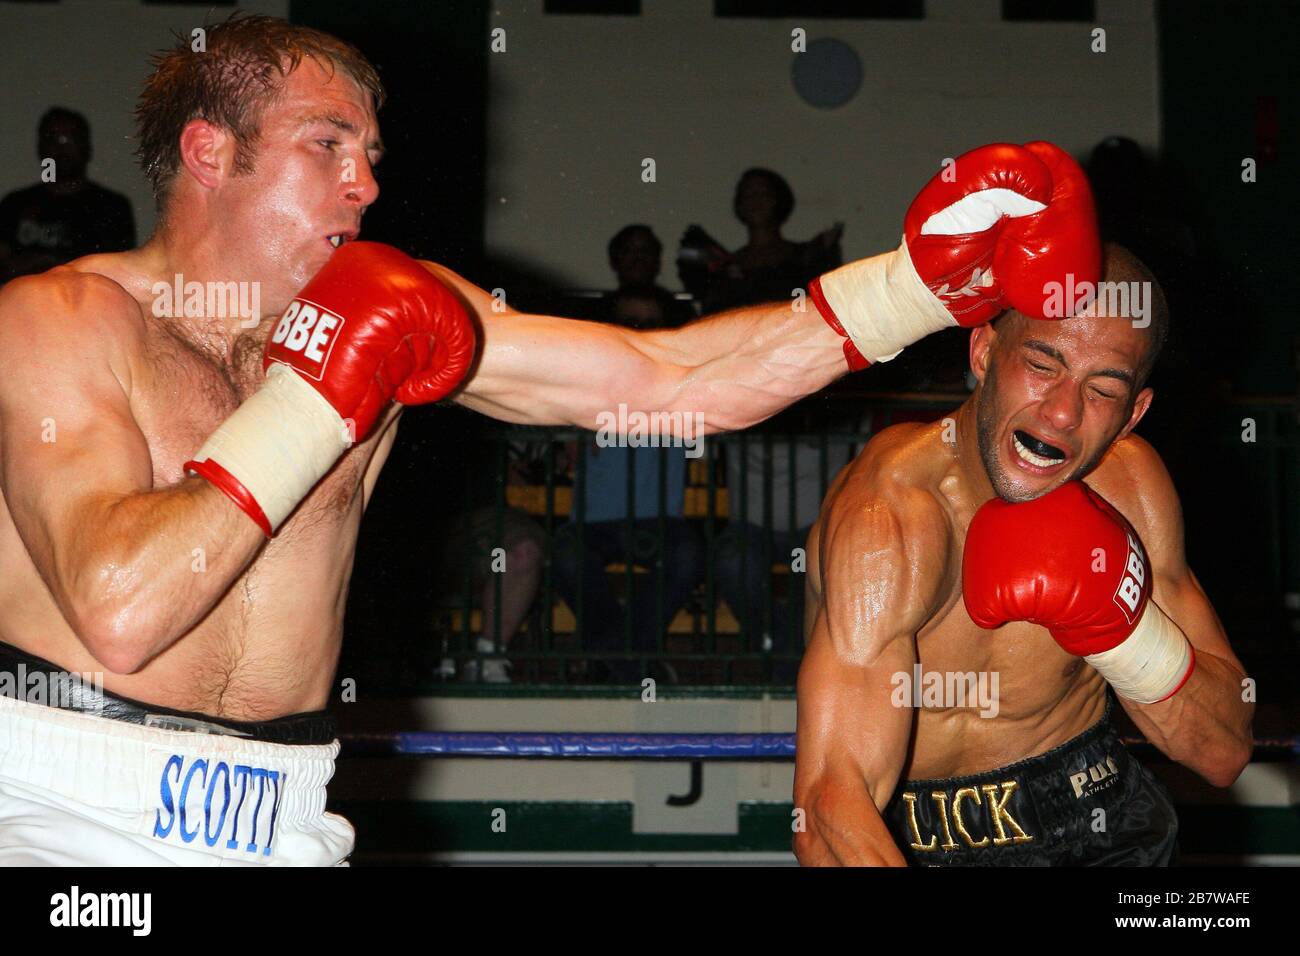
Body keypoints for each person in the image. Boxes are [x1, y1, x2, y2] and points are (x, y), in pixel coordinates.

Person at [0, 10, 1099, 865]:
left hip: (286, 812)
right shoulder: (61, 321)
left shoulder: (391, 303)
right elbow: (121, 608)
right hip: (63, 801)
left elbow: (675, 381)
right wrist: (319, 393)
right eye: (326, 144)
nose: (366, 182)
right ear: (209, 151)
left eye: (370, 152)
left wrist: (916, 286)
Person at [793, 244, 1255, 866]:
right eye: (1042, 364)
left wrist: (1126, 631)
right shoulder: (891, 517)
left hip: (1103, 825)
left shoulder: (1131, 490)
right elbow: (829, 807)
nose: (1062, 413)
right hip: (909, 845)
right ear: (983, 352)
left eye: (1103, 390)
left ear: (1132, 415)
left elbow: (1224, 751)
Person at [678, 167, 842, 315]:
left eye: (763, 193)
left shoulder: (809, 258)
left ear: (778, 200)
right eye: (748, 195)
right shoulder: (722, 268)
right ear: (740, 204)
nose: (755, 200)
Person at [0, 108, 135, 283]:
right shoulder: (15, 204)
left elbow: (117, 272)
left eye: (71, 139)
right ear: (41, 148)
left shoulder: (111, 206)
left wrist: (48, 262)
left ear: (87, 148)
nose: (62, 148)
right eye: (53, 139)